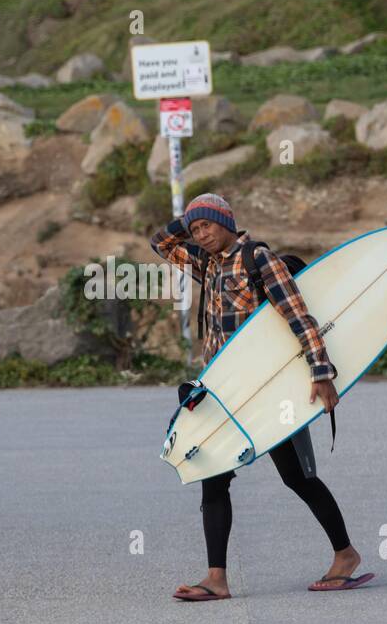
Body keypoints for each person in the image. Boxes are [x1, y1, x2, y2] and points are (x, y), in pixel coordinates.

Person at [151, 193, 368, 601]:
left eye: (207, 226)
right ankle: (216, 578)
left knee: (298, 478)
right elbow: (160, 244)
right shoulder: (206, 263)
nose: (201, 234)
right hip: (223, 392)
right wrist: (192, 216)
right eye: (195, 230)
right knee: (212, 478)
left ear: (227, 222)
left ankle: (346, 555)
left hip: (265, 389)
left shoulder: (258, 259)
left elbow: (299, 315)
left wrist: (321, 372)